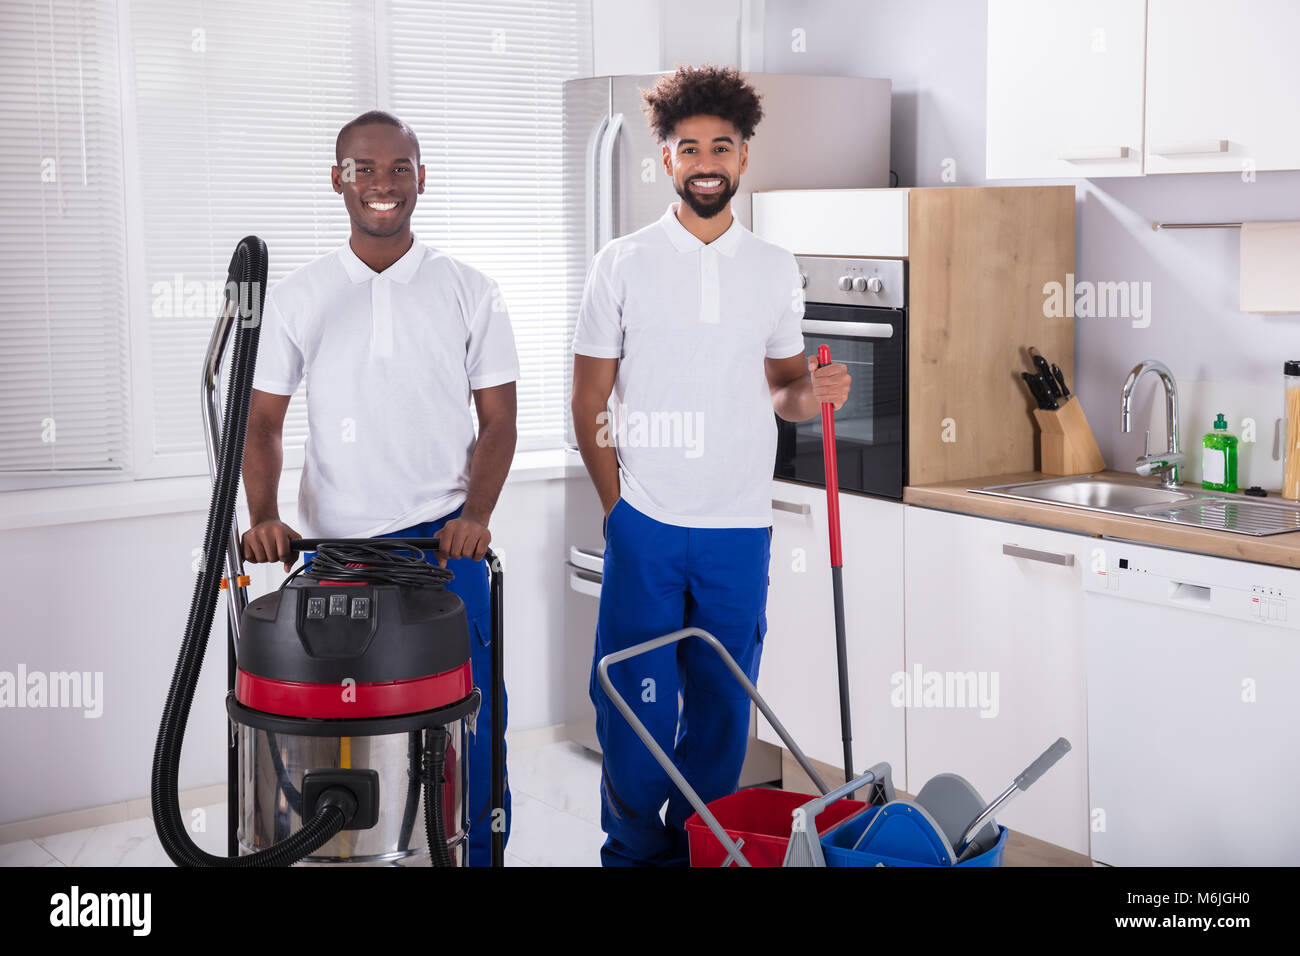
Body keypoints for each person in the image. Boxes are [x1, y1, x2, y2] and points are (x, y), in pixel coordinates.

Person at [571, 66, 852, 866]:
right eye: (688, 147)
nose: (705, 161)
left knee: (725, 712)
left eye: (720, 147)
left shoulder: (771, 266)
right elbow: (588, 397)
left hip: (739, 526)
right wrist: (617, 508)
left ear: (743, 158)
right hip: (649, 523)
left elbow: (782, 392)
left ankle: (700, 849)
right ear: (665, 160)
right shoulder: (621, 263)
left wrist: (815, 392)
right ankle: (630, 855)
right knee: (637, 708)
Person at [240, 110, 518, 866]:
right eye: (365, 168)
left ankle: (475, 854)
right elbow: (261, 423)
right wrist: (263, 515)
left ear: (422, 178)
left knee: (469, 718)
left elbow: (498, 421)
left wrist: (479, 514)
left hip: (442, 541)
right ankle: (351, 852)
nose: (383, 184)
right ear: (339, 180)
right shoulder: (301, 296)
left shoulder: (470, 290)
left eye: (400, 167)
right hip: (335, 553)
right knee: (342, 732)